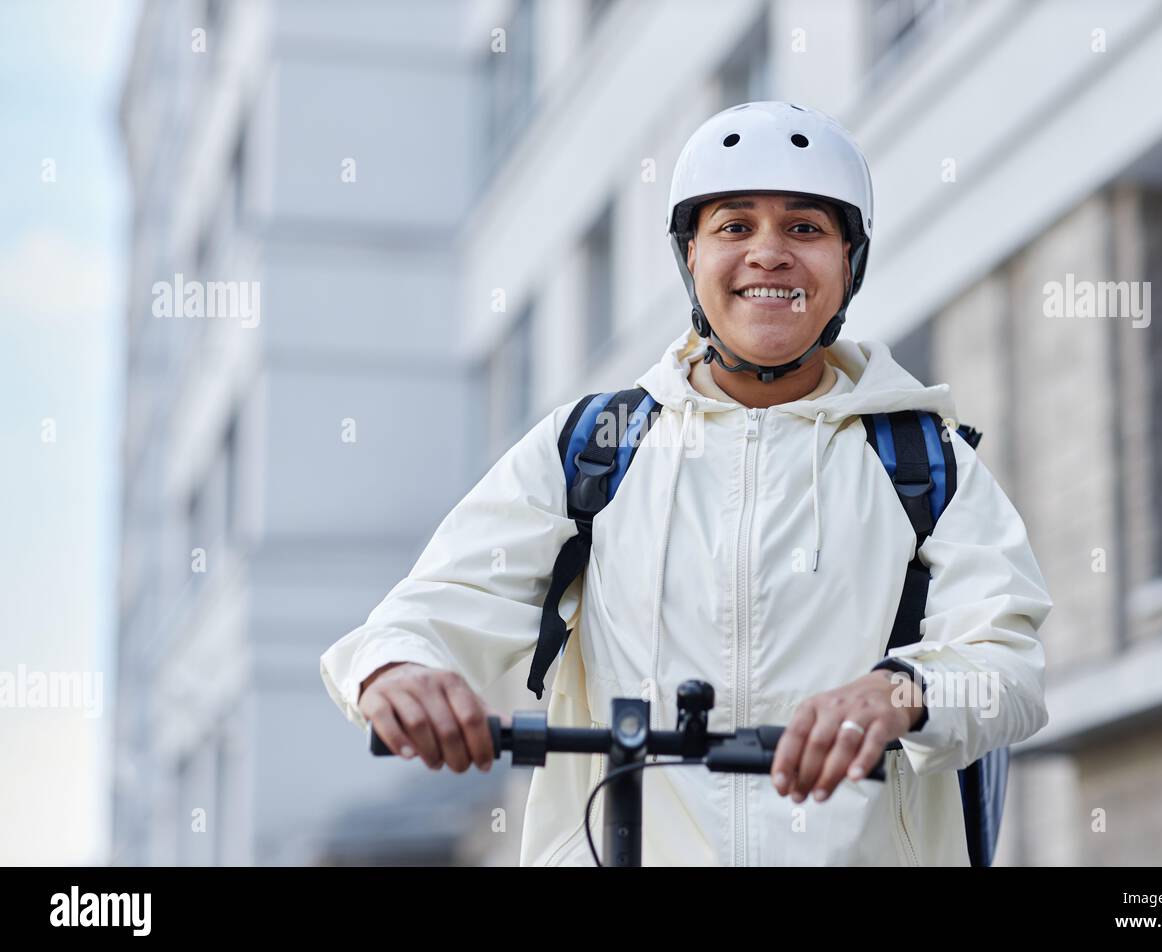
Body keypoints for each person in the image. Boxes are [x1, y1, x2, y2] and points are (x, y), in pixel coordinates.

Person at [320, 101, 1052, 866]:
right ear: (691, 258)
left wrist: (898, 693)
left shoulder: (925, 460)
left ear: (849, 263)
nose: (769, 254)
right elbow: (444, 601)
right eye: (734, 226)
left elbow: (1006, 667)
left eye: (805, 228)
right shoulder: (596, 448)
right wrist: (397, 665)